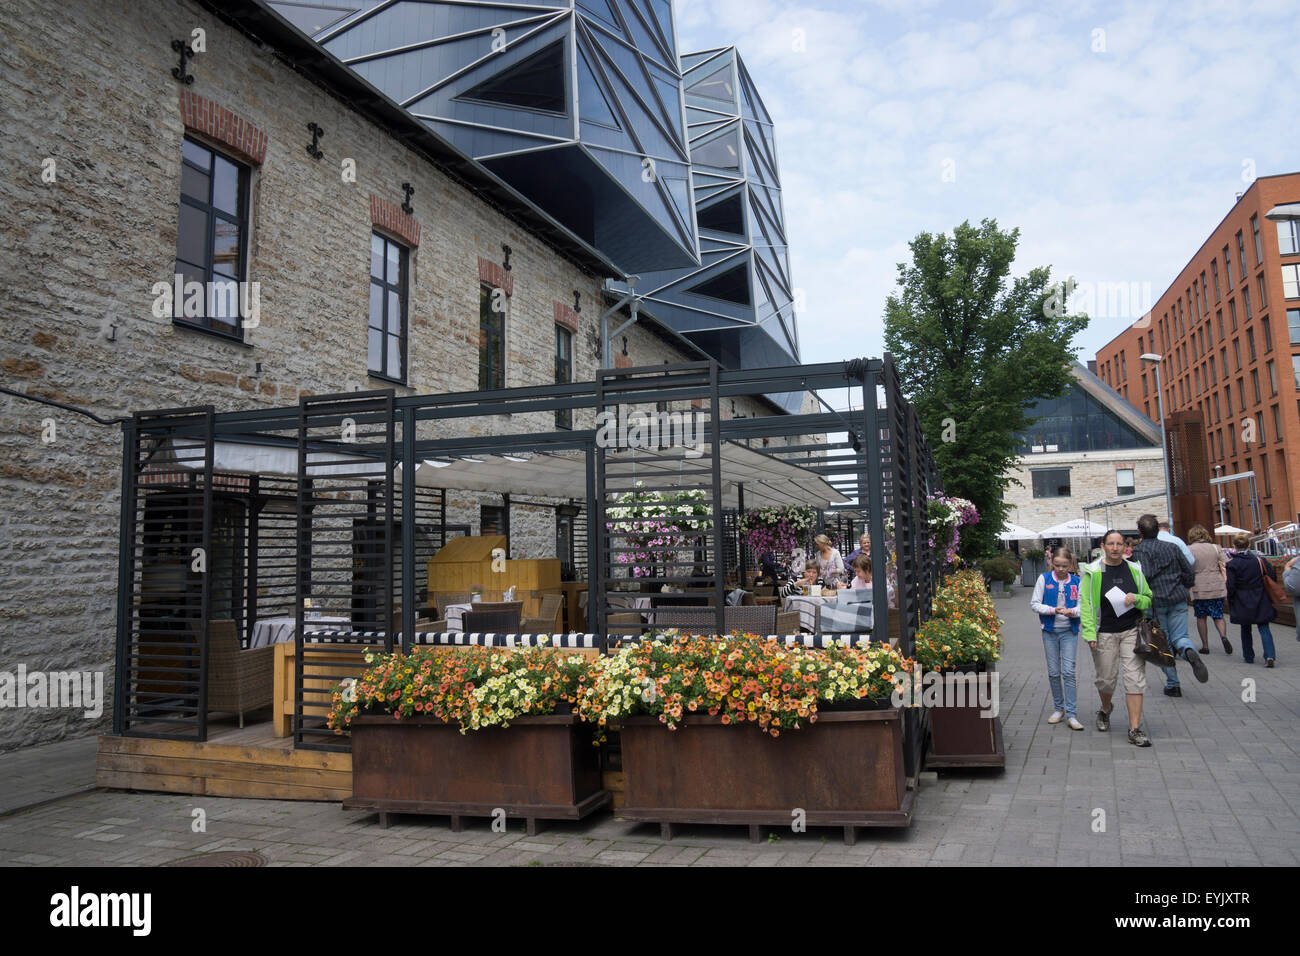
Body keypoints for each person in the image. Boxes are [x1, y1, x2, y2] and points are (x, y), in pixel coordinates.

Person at [1080, 529, 1155, 746]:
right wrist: (1089, 632)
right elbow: (1085, 604)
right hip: (1104, 632)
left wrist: (1137, 599)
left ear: (1125, 547)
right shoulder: (1093, 571)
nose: (1115, 548)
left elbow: (1148, 598)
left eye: (1119, 544)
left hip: (1132, 631)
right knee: (1106, 680)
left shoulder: (1134, 569)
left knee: (1134, 679)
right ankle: (1105, 708)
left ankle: (1134, 729)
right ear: (1102, 546)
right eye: (1110, 544)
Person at [1131, 513, 1206, 697]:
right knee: (1180, 636)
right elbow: (1188, 571)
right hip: (1177, 598)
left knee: (1162, 644)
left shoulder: (1138, 552)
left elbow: (1139, 580)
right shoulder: (1172, 547)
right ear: (1158, 530)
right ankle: (1188, 650)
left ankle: (1173, 684)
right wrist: (1184, 587)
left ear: (1140, 532)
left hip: (1154, 603)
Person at [1029, 547, 1083, 730]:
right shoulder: (1044, 579)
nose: (1060, 569)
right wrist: (1053, 610)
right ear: (1051, 563)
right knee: (1053, 672)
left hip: (1069, 631)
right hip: (1050, 631)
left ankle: (1072, 713)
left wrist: (1072, 612)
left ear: (1070, 564)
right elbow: (1035, 604)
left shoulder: (1076, 581)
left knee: (1068, 672)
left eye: (1064, 566)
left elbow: (1083, 607)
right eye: (1057, 565)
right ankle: (1058, 709)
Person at [1226, 532, 1278, 666]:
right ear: (1249, 544)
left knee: (1245, 627)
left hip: (1242, 597)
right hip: (1260, 595)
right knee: (1264, 626)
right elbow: (1272, 576)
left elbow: (1230, 586)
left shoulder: (1232, 564)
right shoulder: (1259, 560)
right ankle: (1270, 655)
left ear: (1234, 546)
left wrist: (1230, 598)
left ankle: (1248, 656)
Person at [1187, 524, 1232, 655]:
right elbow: (1227, 563)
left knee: (1201, 617)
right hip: (1216, 586)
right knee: (1218, 615)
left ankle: (1205, 646)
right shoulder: (1215, 547)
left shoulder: (1189, 549)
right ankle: (1223, 636)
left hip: (1198, 587)